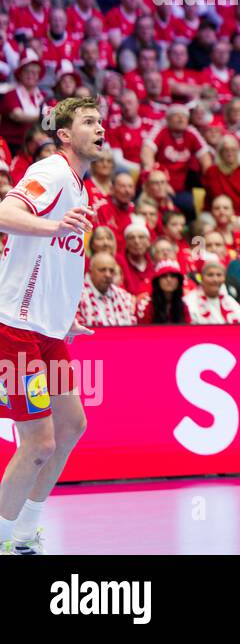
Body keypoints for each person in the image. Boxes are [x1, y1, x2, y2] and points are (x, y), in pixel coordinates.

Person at [0, 97, 100, 555]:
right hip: (16, 328)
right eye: (88, 121)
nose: (100, 128)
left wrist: (65, 313)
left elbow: (56, 259)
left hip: (49, 331)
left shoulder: (80, 187)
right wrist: (54, 225)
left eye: (101, 121)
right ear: (64, 134)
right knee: (38, 442)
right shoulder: (52, 172)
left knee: (71, 424)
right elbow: (5, 213)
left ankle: (24, 534)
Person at [75, 252, 137, 328]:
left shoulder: (124, 296)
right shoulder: (76, 296)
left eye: (111, 271)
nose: (108, 275)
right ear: (90, 271)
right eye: (102, 270)